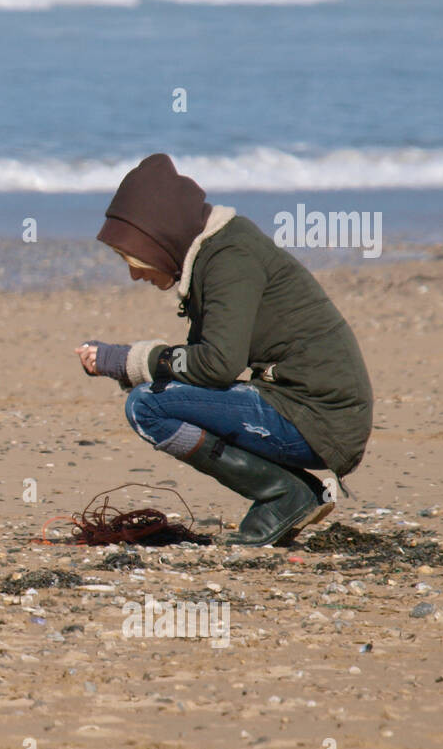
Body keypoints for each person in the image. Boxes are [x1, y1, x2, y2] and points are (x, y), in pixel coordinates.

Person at [76, 153, 373, 546]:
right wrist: (124, 366)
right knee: (159, 397)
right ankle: (294, 492)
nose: (134, 274)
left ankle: (283, 495)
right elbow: (207, 367)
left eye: (134, 260)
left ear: (160, 239)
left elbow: (217, 365)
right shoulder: (216, 252)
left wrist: (130, 360)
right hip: (305, 408)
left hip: (320, 417)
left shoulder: (230, 257)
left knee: (147, 406)